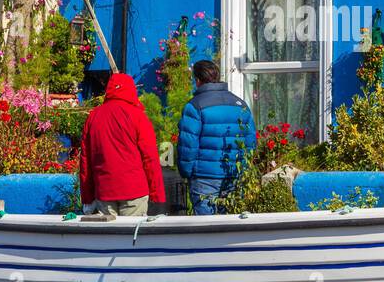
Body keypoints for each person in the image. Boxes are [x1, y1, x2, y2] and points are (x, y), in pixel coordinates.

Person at [78, 72, 165, 217]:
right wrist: (157, 194)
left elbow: (85, 162)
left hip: (104, 190)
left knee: (108, 238)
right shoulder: (138, 116)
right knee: (131, 237)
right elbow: (150, 158)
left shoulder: (93, 116)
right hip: (134, 190)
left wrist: (87, 197)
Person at [177, 60, 256, 215]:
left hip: (204, 177)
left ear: (198, 80)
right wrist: (243, 169)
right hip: (234, 175)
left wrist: (186, 172)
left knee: (205, 230)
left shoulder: (194, 106)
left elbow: (188, 145)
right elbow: (250, 142)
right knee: (231, 226)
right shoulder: (241, 104)